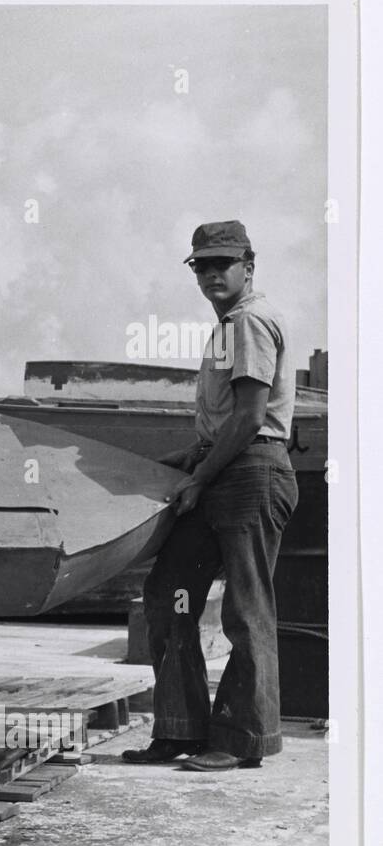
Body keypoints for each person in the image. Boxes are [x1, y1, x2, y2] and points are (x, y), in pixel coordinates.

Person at [123, 220, 299, 771]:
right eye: (201, 265)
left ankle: (241, 740)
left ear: (250, 264)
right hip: (225, 469)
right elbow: (226, 421)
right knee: (168, 594)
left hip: (252, 475)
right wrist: (190, 459)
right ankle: (179, 730)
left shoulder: (247, 322)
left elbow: (250, 418)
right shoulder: (227, 327)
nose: (211, 274)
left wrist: (199, 477)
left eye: (222, 263)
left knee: (247, 612)